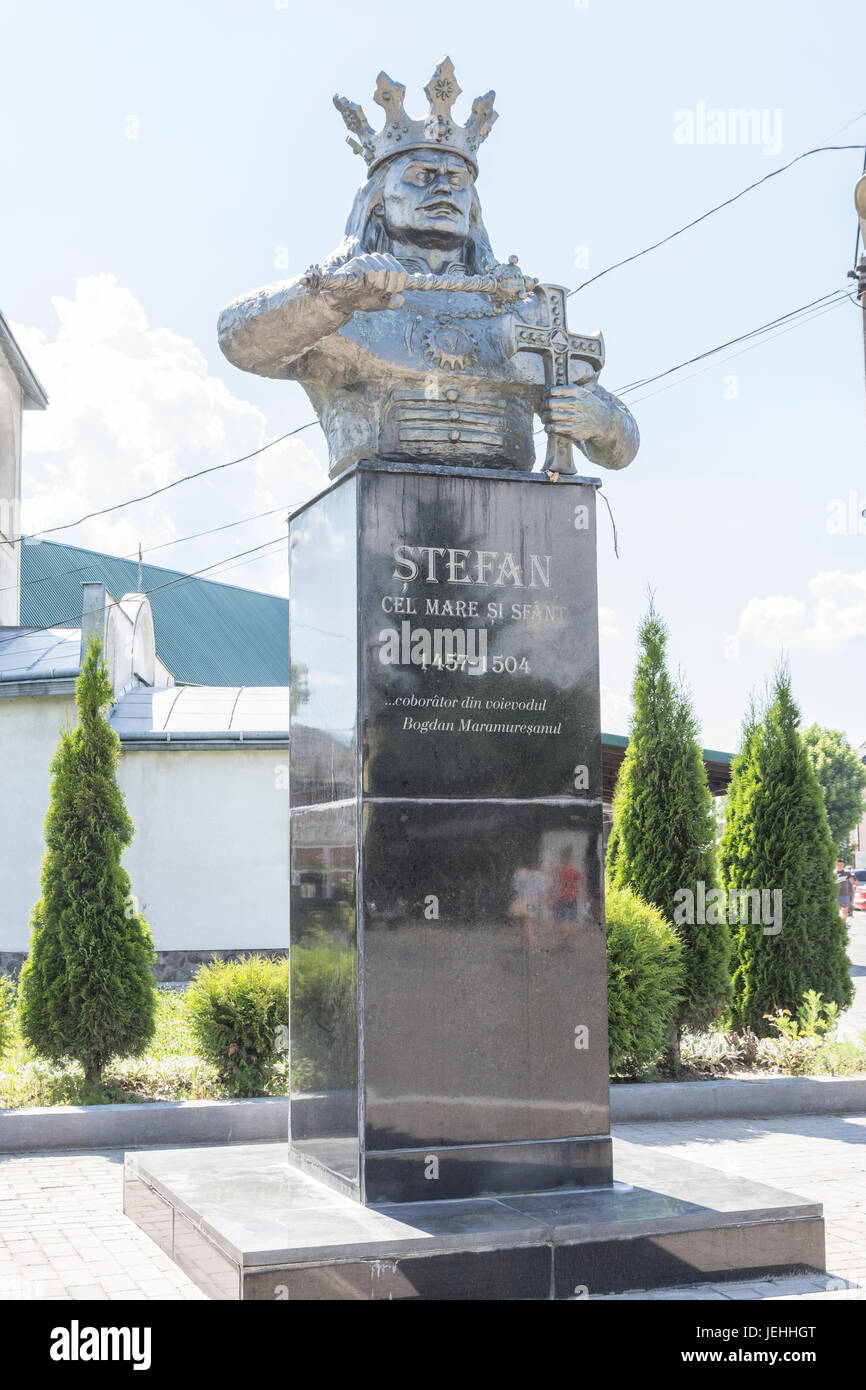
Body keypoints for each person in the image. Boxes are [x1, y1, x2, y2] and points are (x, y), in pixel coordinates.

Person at [217, 59, 639, 481]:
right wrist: (330, 299)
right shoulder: (342, 302)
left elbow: (622, 445)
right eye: (422, 175)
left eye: (457, 181)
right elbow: (237, 338)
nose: (442, 188)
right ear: (377, 201)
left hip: (518, 512)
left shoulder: (521, 313)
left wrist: (602, 423)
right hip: (376, 507)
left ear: (473, 208)